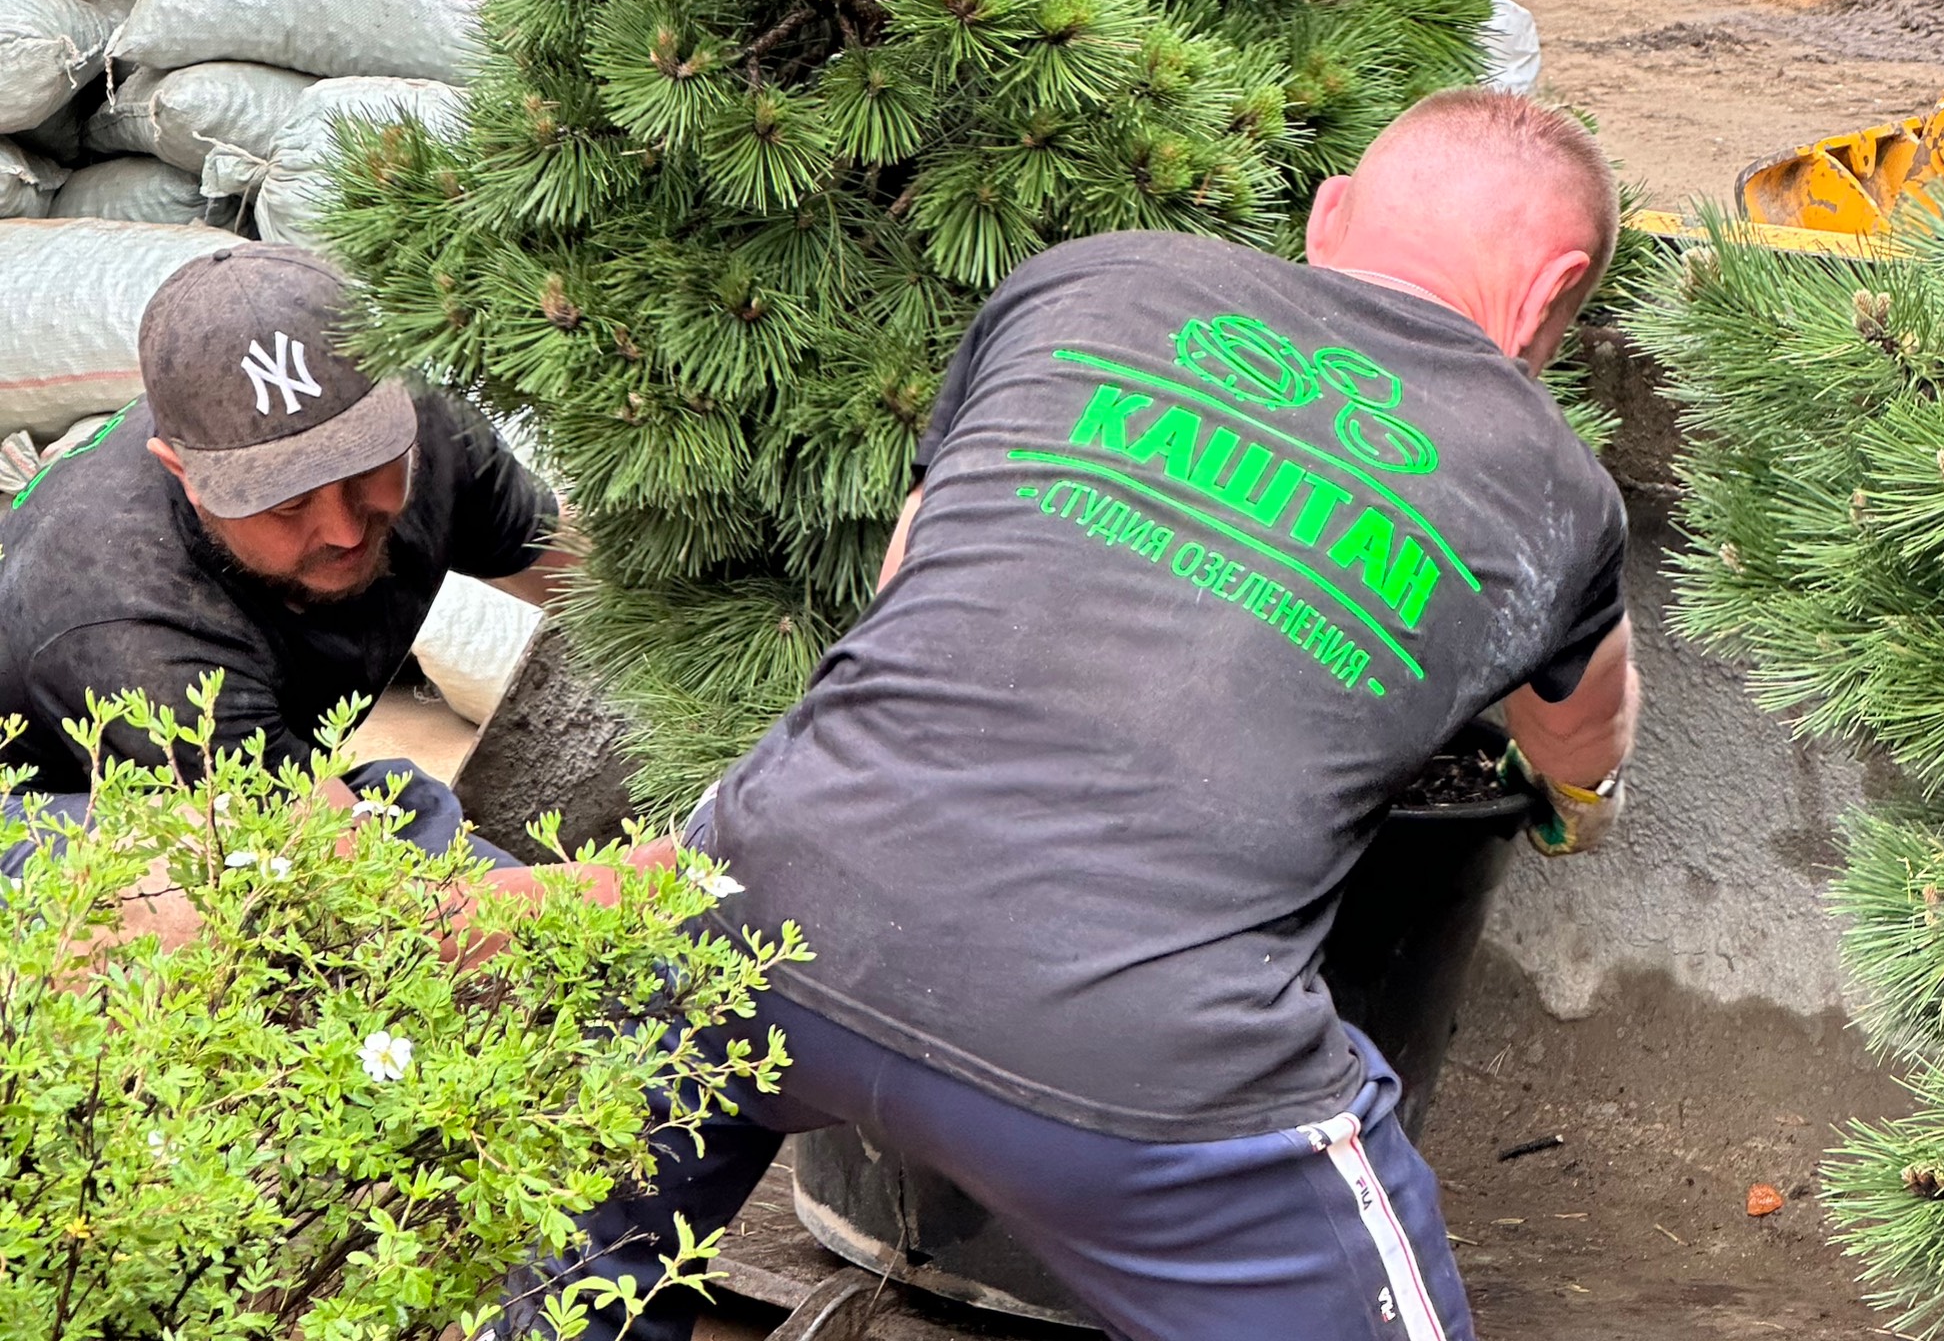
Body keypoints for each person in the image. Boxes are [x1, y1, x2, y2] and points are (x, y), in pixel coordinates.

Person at [545, 89, 1642, 1341]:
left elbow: (906, 585)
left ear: (1329, 214)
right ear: (1552, 289)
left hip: (767, 897)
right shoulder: (1551, 482)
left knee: (554, 1275)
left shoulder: (1080, 281)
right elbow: (1578, 745)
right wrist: (1581, 804)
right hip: (1133, 1047)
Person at [0, 243, 573, 833]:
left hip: (250, 762)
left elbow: (587, 577)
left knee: (406, 806)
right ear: (183, 473)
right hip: (49, 821)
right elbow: (347, 874)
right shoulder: (132, 635)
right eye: (287, 504)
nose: (345, 530)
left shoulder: (415, 431)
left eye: (361, 474)